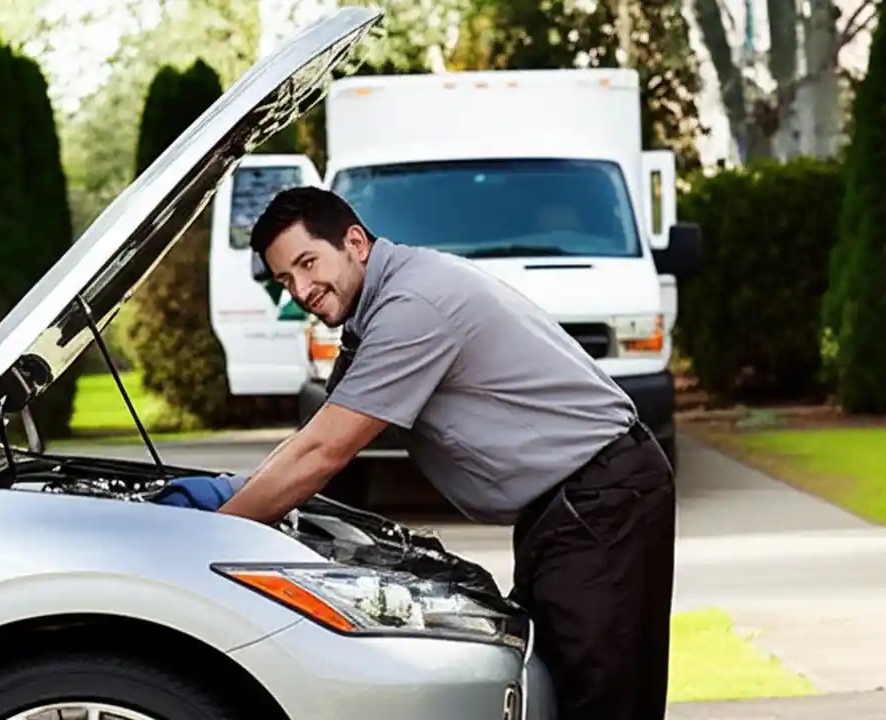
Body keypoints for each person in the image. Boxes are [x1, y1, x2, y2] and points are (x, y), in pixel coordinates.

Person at [160, 186, 676, 720]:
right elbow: (314, 436)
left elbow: (324, 452)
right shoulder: (381, 304)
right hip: (572, 503)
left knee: (599, 700)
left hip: (602, 496)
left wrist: (215, 537)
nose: (302, 290)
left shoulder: (412, 306)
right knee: (558, 689)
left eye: (308, 264)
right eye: (286, 280)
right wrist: (233, 494)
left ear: (355, 242)